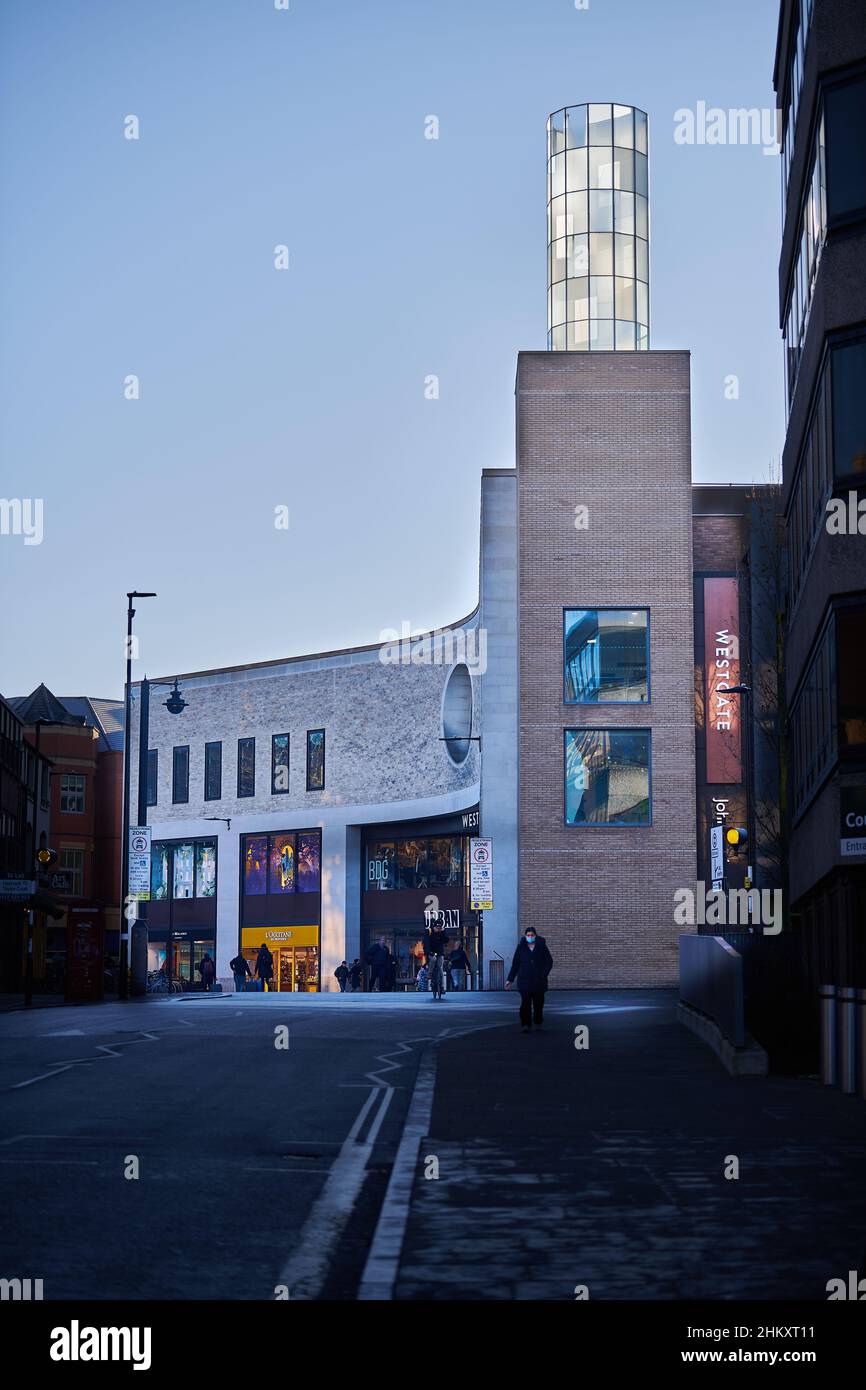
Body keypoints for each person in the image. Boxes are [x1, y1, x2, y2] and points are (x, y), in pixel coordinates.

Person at [505, 928, 553, 1032]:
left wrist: (543, 974)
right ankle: (525, 1024)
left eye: (532, 935)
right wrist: (510, 979)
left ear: (535, 935)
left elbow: (549, 962)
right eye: (528, 935)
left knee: (538, 1004)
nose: (530, 937)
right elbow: (516, 964)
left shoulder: (541, 947)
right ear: (525, 936)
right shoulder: (521, 947)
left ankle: (538, 1021)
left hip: (539, 981)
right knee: (525, 1003)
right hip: (524, 980)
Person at [423, 920, 448, 999]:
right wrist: (428, 952)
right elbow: (426, 943)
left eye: (439, 928)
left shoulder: (441, 933)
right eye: (437, 927)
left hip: (439, 953)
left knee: (440, 969)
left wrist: (443, 932)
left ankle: (442, 987)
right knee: (433, 959)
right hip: (430, 952)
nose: (438, 929)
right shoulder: (429, 932)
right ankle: (430, 973)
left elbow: (446, 940)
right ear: (434, 927)